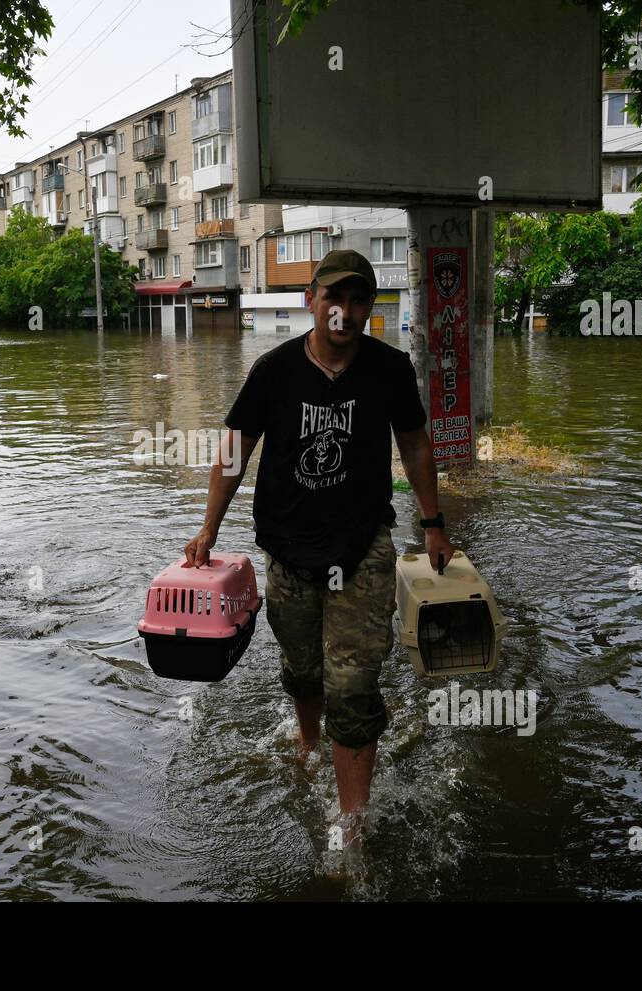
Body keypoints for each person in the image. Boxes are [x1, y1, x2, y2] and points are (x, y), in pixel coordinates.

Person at [184, 249, 456, 823]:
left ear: (368, 308)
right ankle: (308, 746)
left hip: (362, 548)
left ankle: (351, 828)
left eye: (359, 300)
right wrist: (208, 529)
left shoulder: (389, 369)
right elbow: (234, 452)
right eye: (334, 297)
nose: (345, 311)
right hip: (288, 549)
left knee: (353, 687)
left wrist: (433, 525)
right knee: (304, 670)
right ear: (311, 300)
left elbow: (414, 444)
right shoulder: (274, 371)